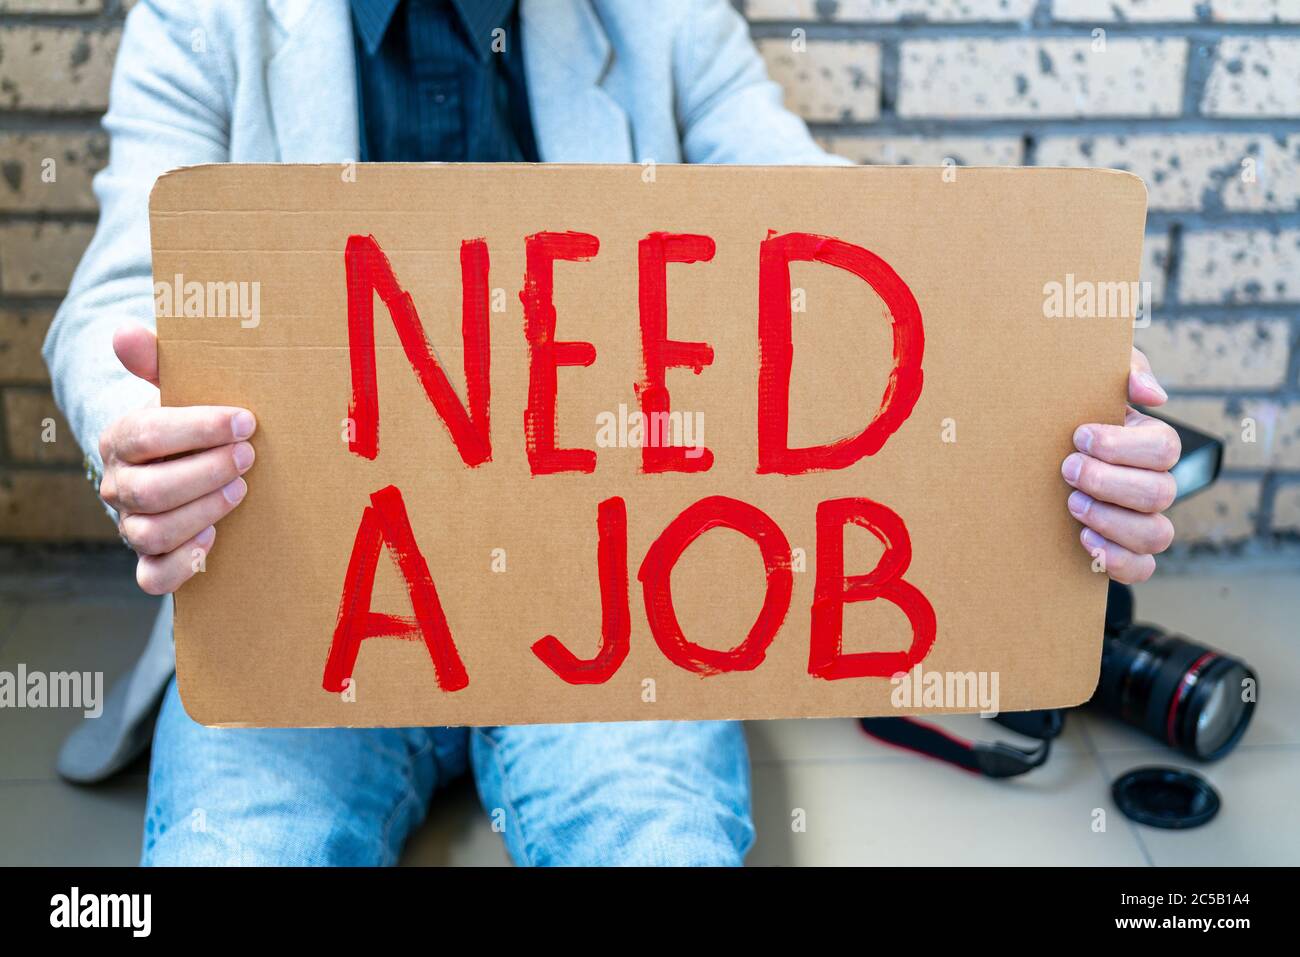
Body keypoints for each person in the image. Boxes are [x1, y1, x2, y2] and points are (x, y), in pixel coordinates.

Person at [44, 0, 1180, 867]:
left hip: (611, 607)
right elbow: (116, 298)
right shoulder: (207, 16)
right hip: (306, 601)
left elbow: (838, 235)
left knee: (659, 845)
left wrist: (1029, 392)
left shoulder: (665, 17)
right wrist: (138, 434)